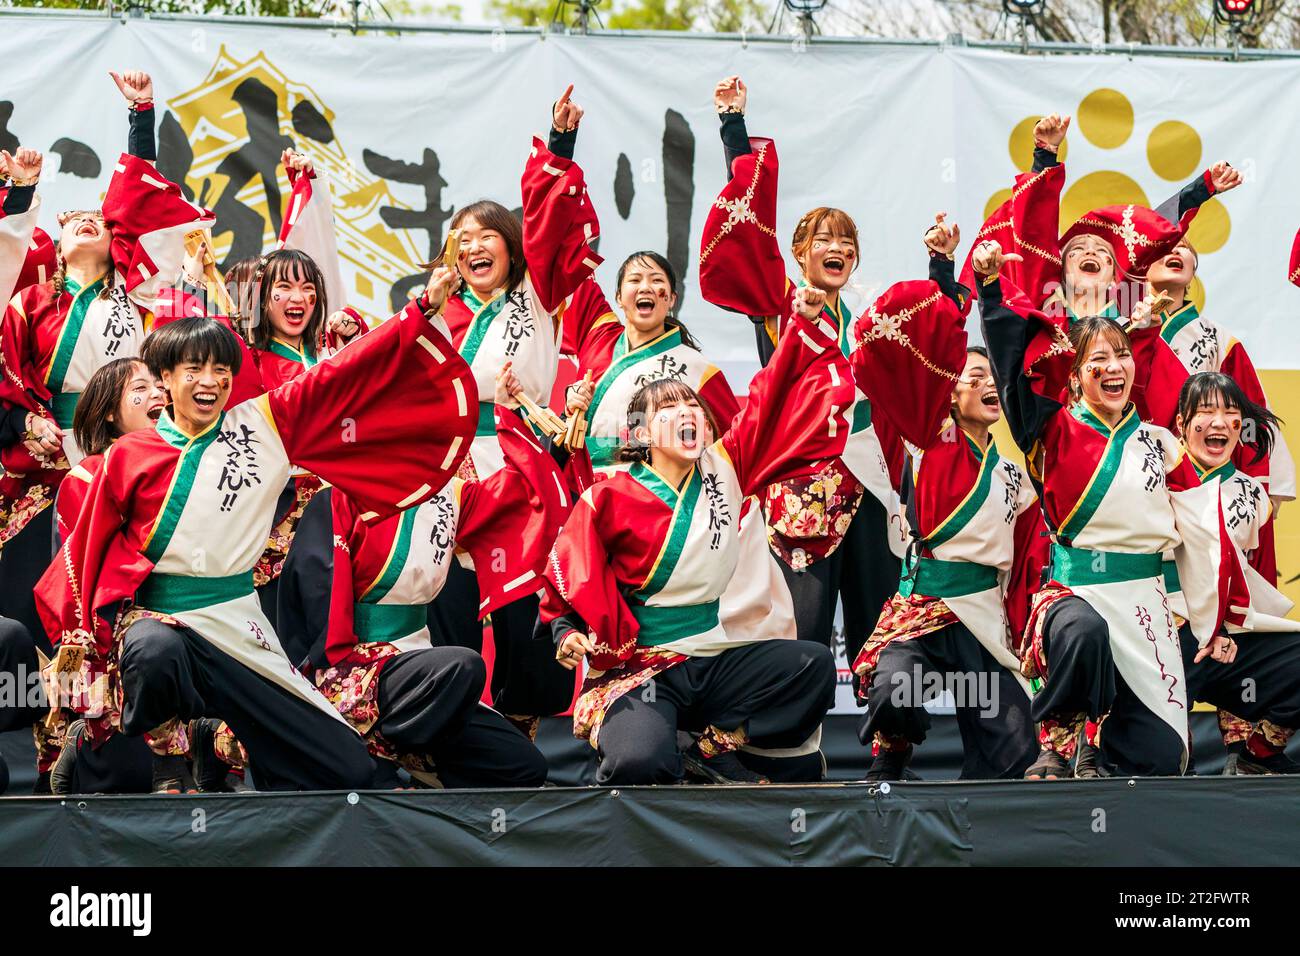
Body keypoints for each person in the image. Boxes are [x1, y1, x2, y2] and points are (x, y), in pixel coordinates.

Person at [35, 271, 479, 791]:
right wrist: (86, 656)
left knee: (346, 769)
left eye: (222, 370)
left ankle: (217, 744)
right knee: (154, 654)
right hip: (157, 621)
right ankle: (167, 757)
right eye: (193, 369)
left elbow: (336, 375)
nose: (210, 381)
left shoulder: (265, 423)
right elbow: (86, 556)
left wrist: (419, 309)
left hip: (238, 623)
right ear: (166, 380)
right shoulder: (128, 455)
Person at [540, 290, 852, 785]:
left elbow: (770, 396)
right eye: (669, 409)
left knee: (812, 668)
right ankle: (660, 742)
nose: (687, 412)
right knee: (640, 764)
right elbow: (571, 577)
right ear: (641, 431)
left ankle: (710, 743)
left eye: (693, 406)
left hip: (713, 654)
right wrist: (566, 632)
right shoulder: (609, 496)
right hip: (641, 667)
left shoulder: (727, 466)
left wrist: (800, 326)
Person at [975, 238, 1244, 778]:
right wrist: (988, 289)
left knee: (1164, 762)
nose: (1115, 366)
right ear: (1074, 376)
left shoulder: (1162, 443)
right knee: (1082, 634)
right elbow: (1011, 366)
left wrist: (1218, 616)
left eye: (1122, 355)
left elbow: (1202, 523)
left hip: (1145, 602)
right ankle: (1061, 740)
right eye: (1099, 359)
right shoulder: (1049, 431)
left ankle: (1108, 743)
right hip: (1077, 594)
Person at [696, 75, 903, 692]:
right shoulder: (780, 301)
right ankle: (787, 754)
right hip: (801, 487)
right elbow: (748, 220)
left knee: (879, 624)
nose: (835, 247)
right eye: (822, 239)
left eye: (846, 240)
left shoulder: (870, 319)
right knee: (800, 627)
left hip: (867, 481)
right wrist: (734, 127)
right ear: (799, 252)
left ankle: (885, 753)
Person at [276, 365, 564, 788]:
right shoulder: (340, 490)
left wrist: (511, 418)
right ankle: (384, 745)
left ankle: (404, 752)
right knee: (464, 666)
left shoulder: (451, 490)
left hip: (416, 660)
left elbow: (517, 494)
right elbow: (314, 589)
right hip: (354, 666)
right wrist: (326, 675)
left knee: (523, 766)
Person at [1, 71, 210, 649]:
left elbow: (139, 197)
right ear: (55, 245)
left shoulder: (139, 296)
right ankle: (53, 698)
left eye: (96, 216)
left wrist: (141, 113)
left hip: (137, 451)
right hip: (57, 451)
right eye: (69, 220)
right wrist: (26, 422)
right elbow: (6, 379)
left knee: (133, 581)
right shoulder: (30, 304)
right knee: (43, 582)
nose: (83, 220)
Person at [424, 85, 605, 736]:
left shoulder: (538, 294)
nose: (473, 245)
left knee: (524, 606)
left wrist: (559, 147)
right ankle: (451, 736)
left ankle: (521, 730)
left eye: (486, 235)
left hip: (519, 465)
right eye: (460, 238)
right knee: (447, 600)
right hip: (447, 469)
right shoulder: (435, 313)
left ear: (510, 244)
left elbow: (551, 225)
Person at [848, 217, 1041, 781]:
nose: (987, 385)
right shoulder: (930, 436)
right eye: (970, 375)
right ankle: (896, 750)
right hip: (925, 613)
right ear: (948, 391)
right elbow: (926, 348)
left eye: (991, 378)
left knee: (1016, 754)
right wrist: (941, 270)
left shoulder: (1016, 476)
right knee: (895, 691)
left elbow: (1027, 565)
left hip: (984, 619)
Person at [1171, 371, 1300, 774]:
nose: (1218, 422)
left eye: (1230, 412)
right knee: (1153, 757)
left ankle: (1258, 753)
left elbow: (1252, 576)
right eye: (1205, 411)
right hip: (1167, 633)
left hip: (1228, 639)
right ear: (1180, 424)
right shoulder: (1155, 479)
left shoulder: (1253, 496)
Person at [563, 252, 740, 472]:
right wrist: (571, 406)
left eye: (656, 280)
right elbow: (567, 262)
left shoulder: (698, 369)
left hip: (655, 496)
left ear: (672, 299)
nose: (645, 287)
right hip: (586, 488)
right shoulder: (597, 336)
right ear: (618, 297)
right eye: (635, 280)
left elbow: (733, 449)